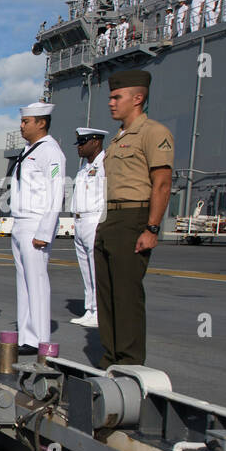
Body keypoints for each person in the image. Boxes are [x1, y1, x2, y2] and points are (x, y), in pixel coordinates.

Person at [96, 69, 173, 368]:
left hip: (134, 216)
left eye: (117, 97)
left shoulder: (154, 133)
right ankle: (110, 358)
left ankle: (129, 363)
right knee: (106, 294)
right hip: (110, 218)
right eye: (111, 97)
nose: (111, 103)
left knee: (126, 293)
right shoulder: (118, 139)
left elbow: (162, 184)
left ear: (138, 98)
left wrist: (151, 228)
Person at [9, 101, 65, 353]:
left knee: (37, 282)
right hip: (20, 222)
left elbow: (56, 192)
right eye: (22, 121)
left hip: (35, 222)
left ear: (41, 123)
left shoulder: (50, 152)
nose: (21, 126)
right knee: (24, 282)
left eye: (26, 122)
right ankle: (26, 336)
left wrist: (45, 231)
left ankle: (40, 339)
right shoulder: (28, 150)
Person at [70, 128, 108, 328]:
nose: (79, 147)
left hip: (94, 220)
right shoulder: (84, 168)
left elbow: (107, 196)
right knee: (86, 269)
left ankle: (100, 311)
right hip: (79, 220)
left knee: (96, 269)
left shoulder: (105, 164)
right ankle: (90, 309)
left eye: (83, 143)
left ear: (96, 142)